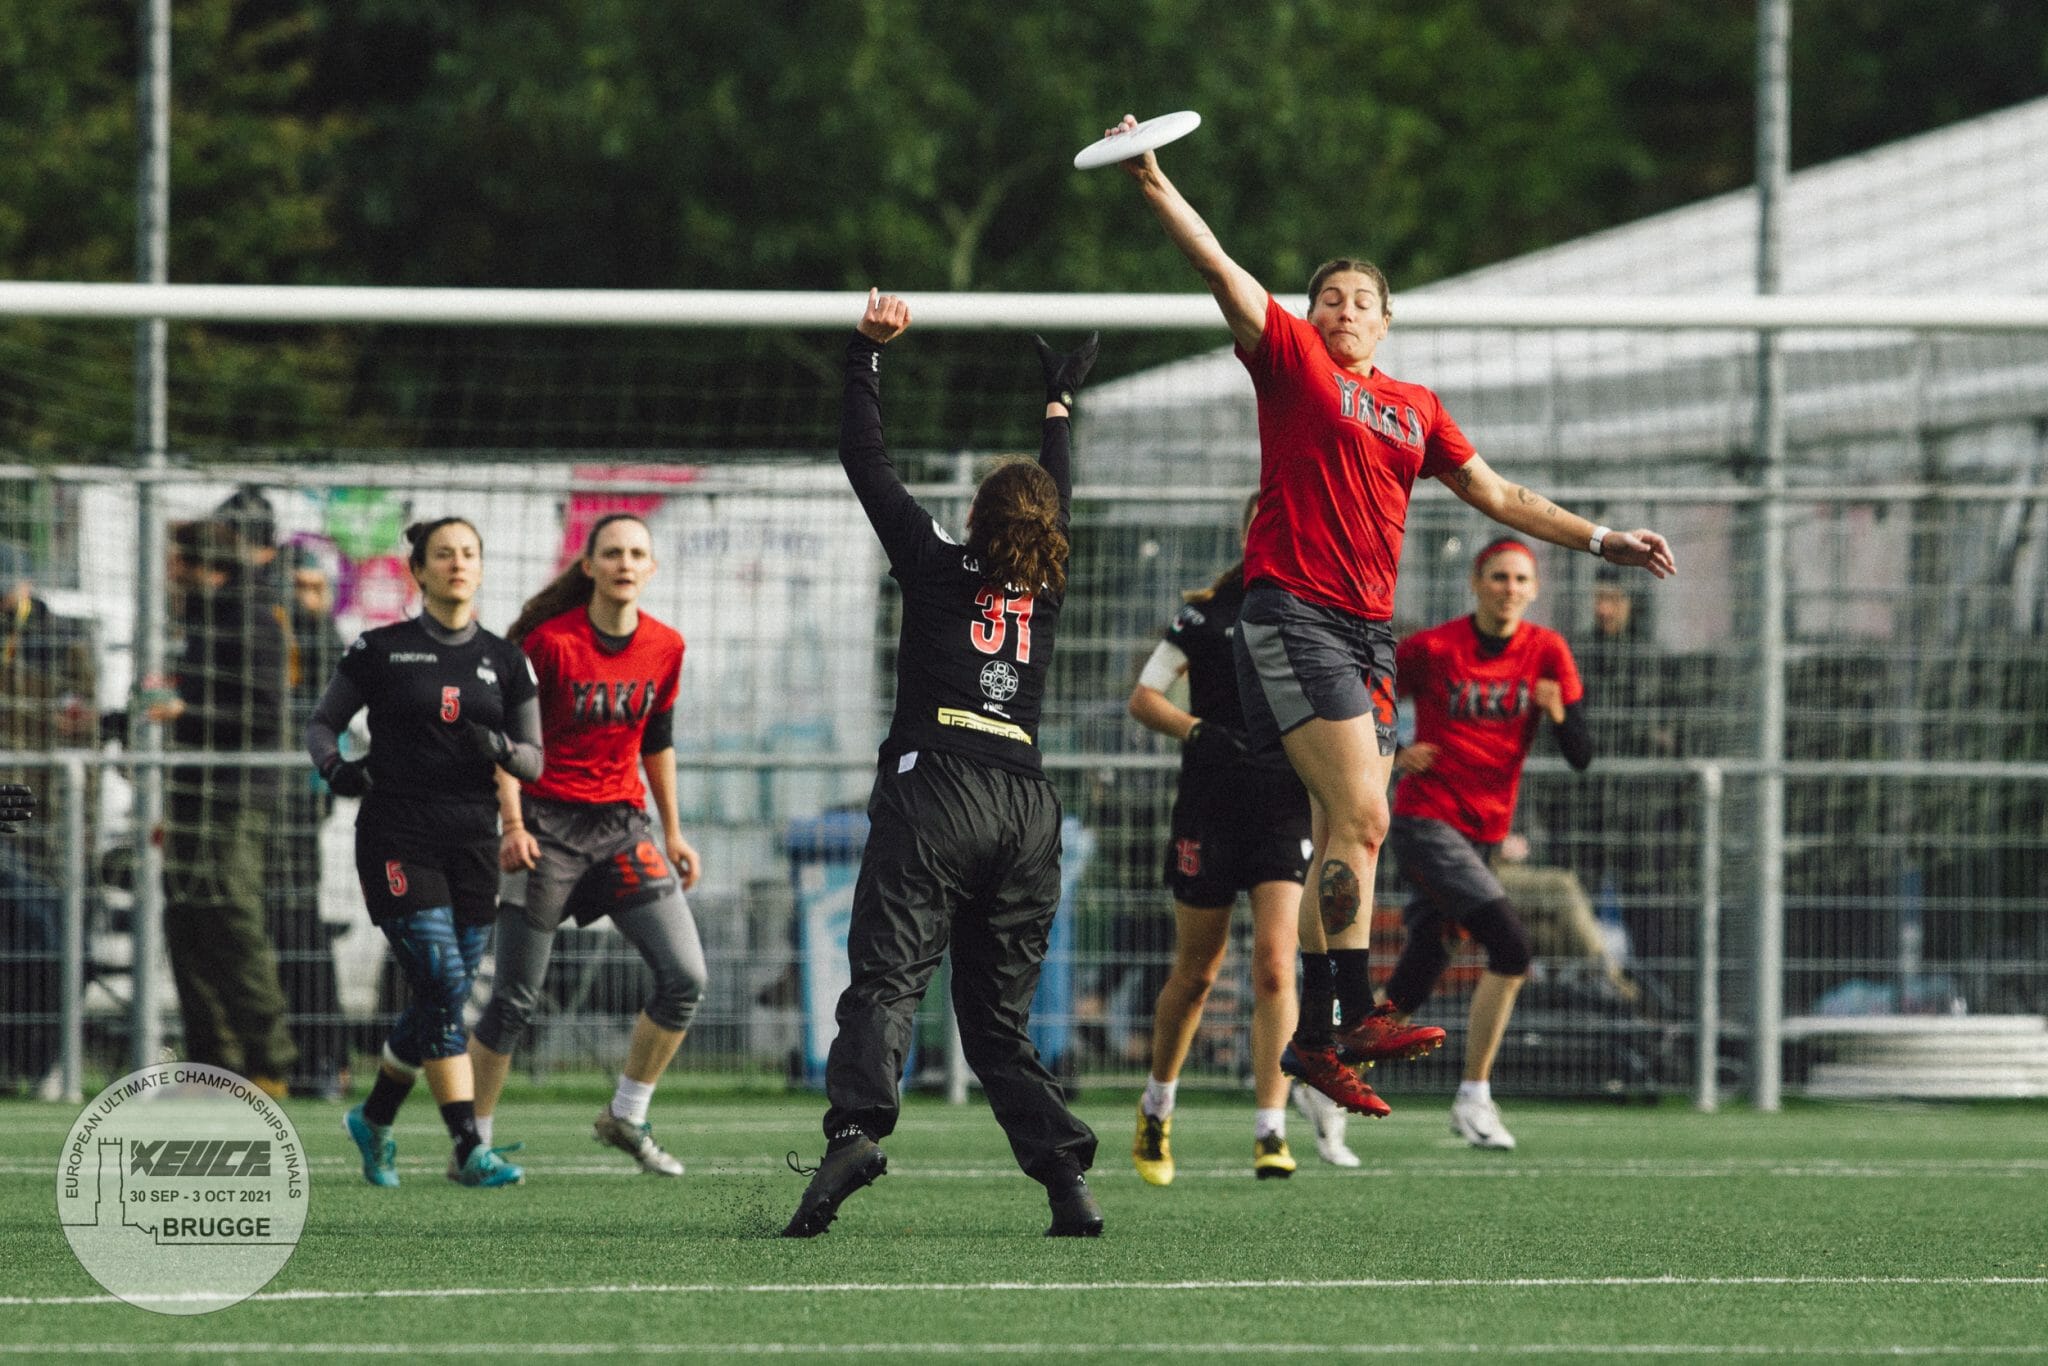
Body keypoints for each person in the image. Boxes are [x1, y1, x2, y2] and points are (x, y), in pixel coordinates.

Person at [1108, 113, 1674, 1117]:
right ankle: (1344, 1021)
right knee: (1367, 815)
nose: (1342, 309)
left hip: (1367, 632)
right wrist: (1153, 182)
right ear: (1309, 316)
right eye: (1327, 297)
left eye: (1360, 299)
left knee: (1350, 832)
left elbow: (1499, 495)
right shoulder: (1291, 362)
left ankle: (1324, 1035)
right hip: (1292, 614)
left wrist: (1601, 539)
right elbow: (1220, 269)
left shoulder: (1416, 406)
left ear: (1385, 322)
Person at [783, 290, 1101, 1239]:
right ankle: (1064, 1179)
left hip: (941, 787)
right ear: (1045, 531)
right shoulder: (1045, 589)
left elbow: (865, 459)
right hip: (1027, 803)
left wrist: (864, 355)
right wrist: (1058, 408)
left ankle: (855, 1132)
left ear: (974, 515)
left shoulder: (933, 563)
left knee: (889, 977)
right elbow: (1054, 496)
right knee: (997, 1020)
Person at [1127, 493, 1359, 1186]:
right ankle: (1157, 1107)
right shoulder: (1204, 615)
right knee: (1198, 972)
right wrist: (1196, 730)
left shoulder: (1321, 618)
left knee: (1276, 968)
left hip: (1284, 810)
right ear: (1246, 532)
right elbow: (1144, 697)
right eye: (1265, 524)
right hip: (1209, 809)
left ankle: (1269, 1127)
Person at [468, 512, 708, 1177]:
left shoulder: (666, 646)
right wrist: (512, 825)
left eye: (636, 553)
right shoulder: (549, 644)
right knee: (514, 1000)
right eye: (612, 553)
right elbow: (508, 746)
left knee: (686, 977)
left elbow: (657, 741)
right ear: (589, 566)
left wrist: (674, 831)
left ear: (651, 568)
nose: (625, 563)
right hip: (545, 828)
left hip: (622, 830)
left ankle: (626, 1114)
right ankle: (472, 1144)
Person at [307, 517, 541, 1189]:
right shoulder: (380, 649)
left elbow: (533, 760)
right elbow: (322, 723)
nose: (457, 563)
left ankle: (374, 1117)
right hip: (397, 835)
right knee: (440, 981)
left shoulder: (506, 660)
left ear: (481, 567)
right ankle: (469, 1146)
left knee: (447, 990)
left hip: (472, 843)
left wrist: (500, 749)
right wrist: (336, 768)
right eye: (443, 554)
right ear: (419, 571)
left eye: (468, 553)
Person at [1377, 539, 1593, 1150]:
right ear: (1476, 583)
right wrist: (1393, 750)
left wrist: (1557, 713)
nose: (1509, 588)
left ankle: (1335, 1067)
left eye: (1521, 579)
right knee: (1511, 947)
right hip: (1427, 819)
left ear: (1535, 589)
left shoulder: (1547, 651)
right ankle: (1474, 1096)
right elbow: (1365, 696)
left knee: (1423, 962)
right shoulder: (1434, 648)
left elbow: (1581, 755)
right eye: (1498, 576)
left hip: (1485, 832)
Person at [157, 504, 298, 1099]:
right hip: (193, 789)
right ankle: (212, 1065)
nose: (166, 573)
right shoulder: (205, 616)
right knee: (186, 919)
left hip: (236, 794)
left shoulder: (251, 615)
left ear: (199, 565)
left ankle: (270, 1063)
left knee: (232, 919)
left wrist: (185, 711)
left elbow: (265, 714)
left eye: (173, 562)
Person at [268, 545, 349, 1099]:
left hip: (297, 808)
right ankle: (301, 1056)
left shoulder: (321, 644)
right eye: (299, 588)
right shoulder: (278, 637)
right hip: (273, 802)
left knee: (299, 928)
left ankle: (325, 1057)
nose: (308, 601)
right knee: (278, 930)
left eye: (316, 590)